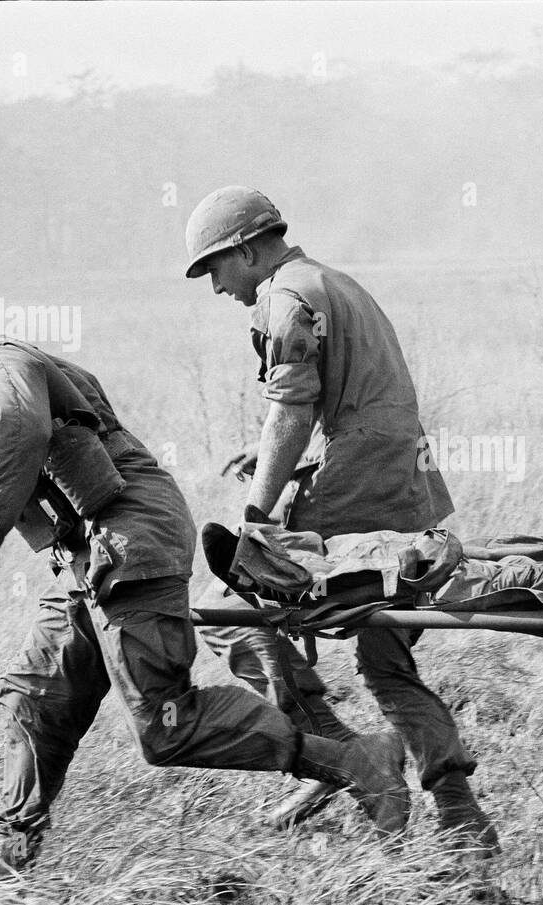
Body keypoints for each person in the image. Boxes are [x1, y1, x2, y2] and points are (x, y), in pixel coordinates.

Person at [0, 261, 409, 875]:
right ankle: (12, 860)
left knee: (166, 727)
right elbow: (22, 461)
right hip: (88, 558)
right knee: (37, 698)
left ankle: (357, 764)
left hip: (129, 544)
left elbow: (19, 428)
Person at [183, 187, 498, 854]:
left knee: (223, 609)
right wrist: (292, 456)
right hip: (403, 489)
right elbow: (349, 399)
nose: (215, 287)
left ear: (245, 250)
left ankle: (337, 755)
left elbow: (293, 411)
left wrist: (254, 519)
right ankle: (460, 813)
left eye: (214, 269)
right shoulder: (329, 280)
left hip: (361, 498)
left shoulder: (283, 298)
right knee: (387, 663)